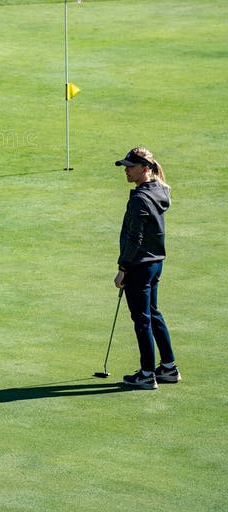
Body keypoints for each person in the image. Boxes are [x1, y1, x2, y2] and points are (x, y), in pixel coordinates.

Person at [114, 147, 180, 389]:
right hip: (155, 264)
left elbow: (135, 239)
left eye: (130, 167)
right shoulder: (159, 189)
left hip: (140, 266)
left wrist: (123, 268)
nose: (126, 171)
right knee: (153, 313)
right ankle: (169, 367)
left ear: (145, 168)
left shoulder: (140, 199)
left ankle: (146, 374)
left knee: (142, 320)